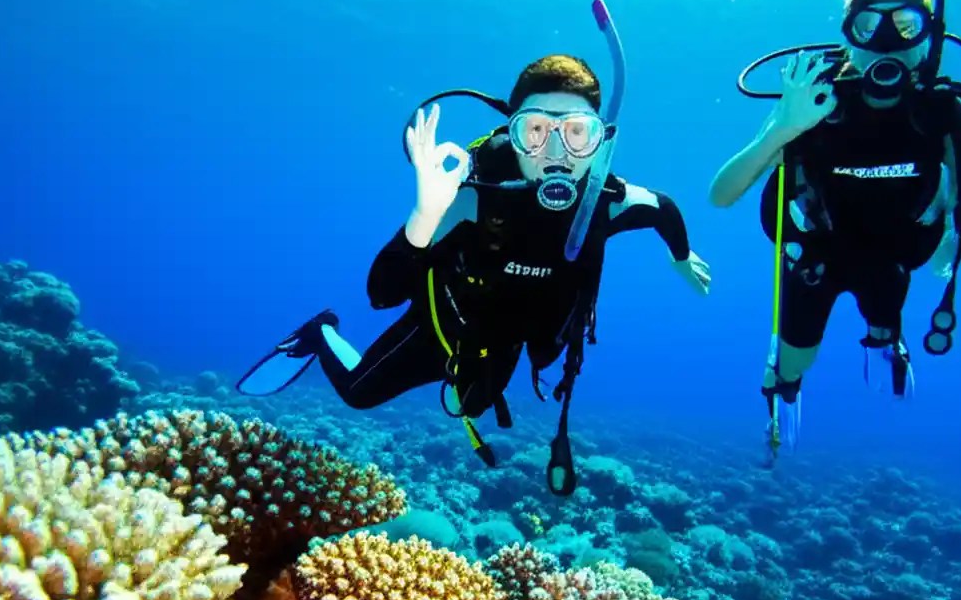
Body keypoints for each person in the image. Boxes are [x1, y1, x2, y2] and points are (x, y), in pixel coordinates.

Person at [239, 51, 711, 496]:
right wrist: (425, 215)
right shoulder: (474, 197)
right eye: (536, 131)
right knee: (360, 394)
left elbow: (664, 210)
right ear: (513, 131)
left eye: (576, 133)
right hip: (447, 327)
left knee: (473, 404)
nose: (555, 152)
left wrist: (681, 257)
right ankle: (321, 332)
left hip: (511, 336)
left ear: (599, 140)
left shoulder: (607, 202)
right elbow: (380, 294)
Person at [708, 0, 961, 462]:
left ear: (928, 37)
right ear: (847, 38)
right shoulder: (812, 99)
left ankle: (885, 344)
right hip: (816, 253)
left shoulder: (943, 113)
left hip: (893, 254)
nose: (886, 43)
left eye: (905, 26)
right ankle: (786, 387)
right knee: (797, 357)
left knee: (884, 321)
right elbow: (721, 194)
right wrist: (785, 126)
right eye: (867, 26)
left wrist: (949, 241)